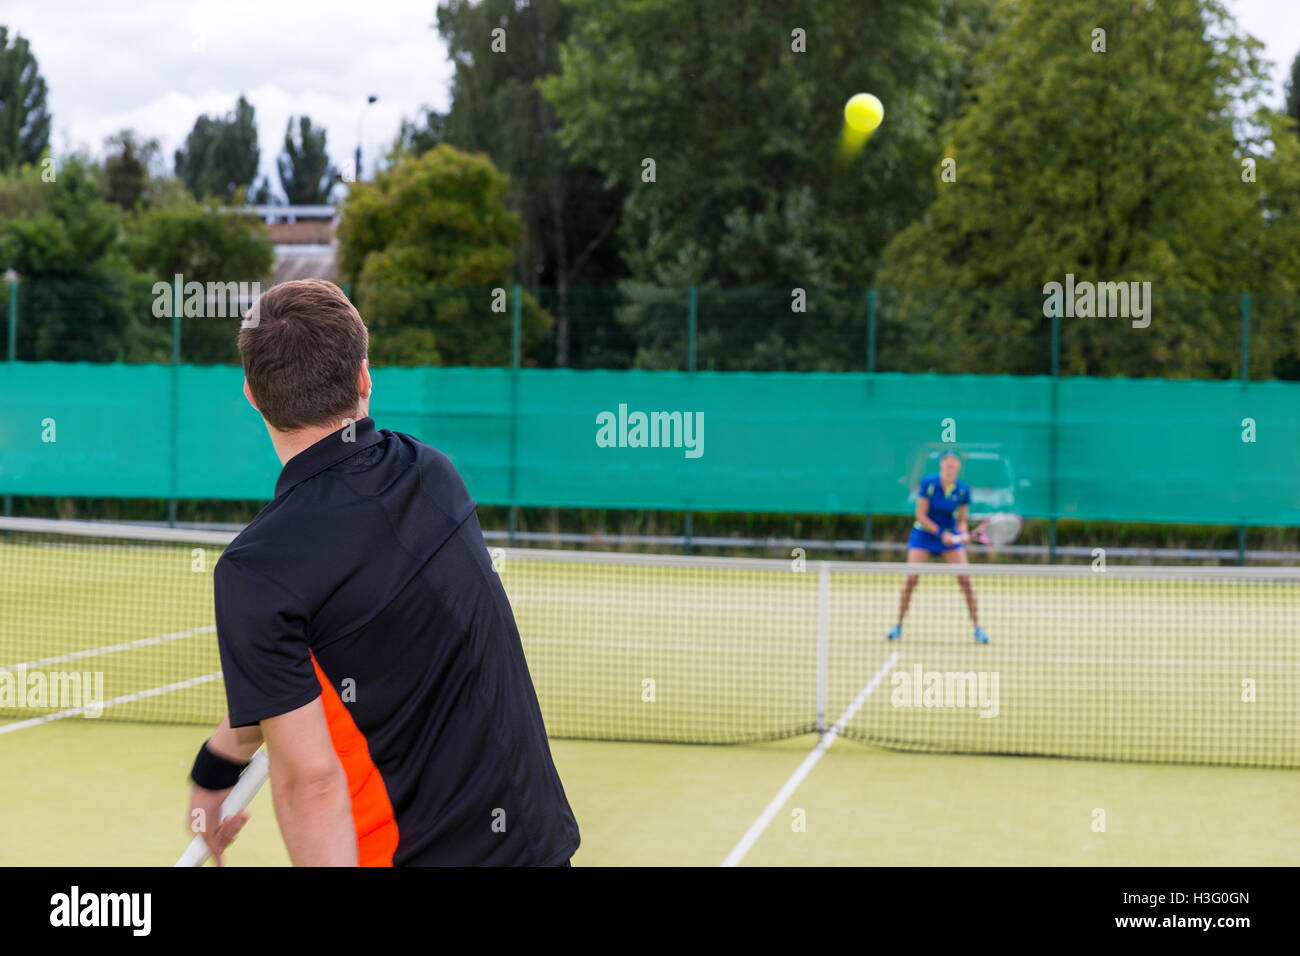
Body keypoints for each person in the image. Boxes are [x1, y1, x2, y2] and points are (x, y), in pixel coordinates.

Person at [186, 278, 579, 866]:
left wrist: (211, 776)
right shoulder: (432, 476)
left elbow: (310, 785)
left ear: (251, 395)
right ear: (365, 376)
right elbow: (305, 679)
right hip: (536, 847)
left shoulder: (257, 571)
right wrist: (216, 768)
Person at [887, 450, 989, 644]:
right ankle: (898, 626)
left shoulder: (963, 490)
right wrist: (943, 534)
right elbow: (921, 515)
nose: (950, 463)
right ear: (941, 464)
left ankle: (977, 628)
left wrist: (961, 534)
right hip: (923, 536)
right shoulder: (929, 483)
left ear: (959, 465)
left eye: (954, 460)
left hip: (949, 539)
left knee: (966, 582)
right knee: (911, 580)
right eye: (946, 460)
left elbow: (961, 522)